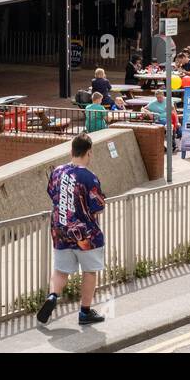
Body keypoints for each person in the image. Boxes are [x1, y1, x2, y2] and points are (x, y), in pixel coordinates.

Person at [37, 135, 107, 326]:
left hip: (60, 231)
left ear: (71, 151)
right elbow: (98, 207)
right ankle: (85, 312)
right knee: (89, 271)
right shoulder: (89, 177)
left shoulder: (57, 172)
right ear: (89, 152)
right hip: (86, 235)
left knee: (60, 271)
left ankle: (52, 296)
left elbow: (52, 194)